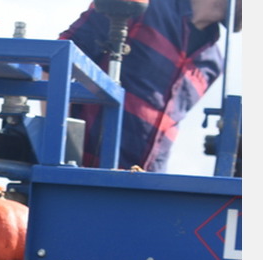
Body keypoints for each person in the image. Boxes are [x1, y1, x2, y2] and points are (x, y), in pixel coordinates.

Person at [60, 0, 241, 172]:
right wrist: (61, 151)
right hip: (85, 170)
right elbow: (59, 62)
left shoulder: (213, 64)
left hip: (145, 187)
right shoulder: (140, 5)